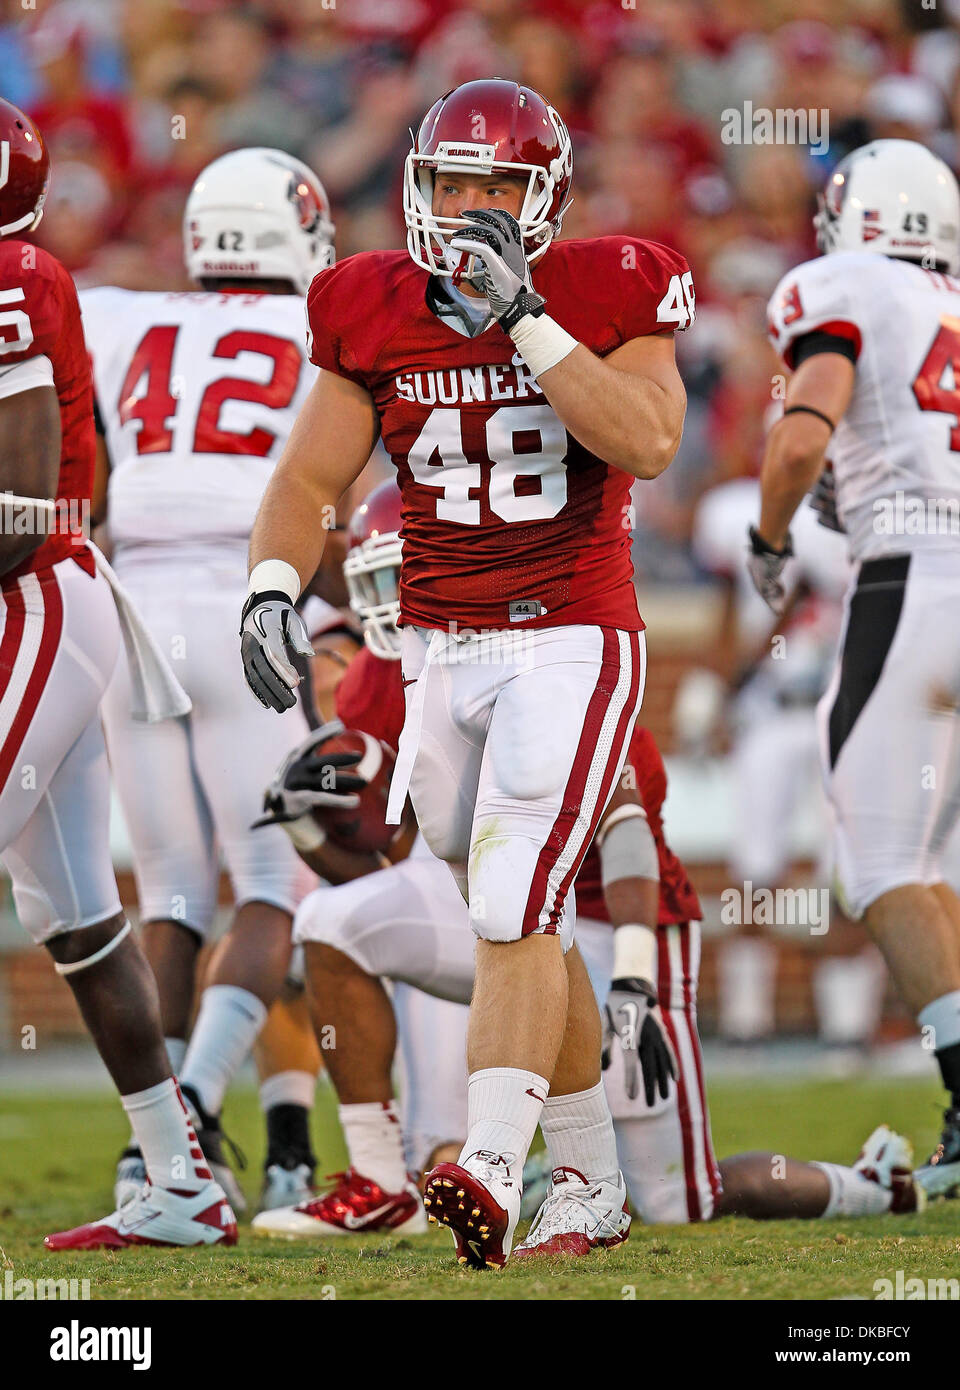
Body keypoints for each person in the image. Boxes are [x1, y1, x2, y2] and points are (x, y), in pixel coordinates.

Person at [240, 76, 693, 1268]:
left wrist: (529, 320)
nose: (473, 203)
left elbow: (647, 437)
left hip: (572, 634)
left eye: (499, 183)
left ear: (542, 198)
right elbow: (306, 481)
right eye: (455, 181)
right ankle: (589, 1182)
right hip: (443, 643)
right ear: (418, 187)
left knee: (507, 902)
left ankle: (491, 1163)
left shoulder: (609, 284)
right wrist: (273, 587)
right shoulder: (368, 302)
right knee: (519, 915)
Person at [252, 483, 923, 1246]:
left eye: (401, 576)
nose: (389, 604)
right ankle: (384, 1179)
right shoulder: (382, 677)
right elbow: (412, 866)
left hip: (616, 922)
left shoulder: (555, 655)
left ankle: (867, 1187)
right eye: (376, 582)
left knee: (677, 1196)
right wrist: (312, 835)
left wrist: (633, 980)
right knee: (334, 920)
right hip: (506, 920)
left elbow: (627, 834)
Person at [81, 146, 338, 1213]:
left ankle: (151, 1149)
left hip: (129, 605)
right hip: (247, 597)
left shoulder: (119, 317)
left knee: (174, 893)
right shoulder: (324, 327)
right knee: (274, 887)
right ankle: (187, 1110)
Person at [0, 97, 235, 1251]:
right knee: (80, 921)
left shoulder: (12, 278)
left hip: (34, 591)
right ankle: (179, 1177)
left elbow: (19, 507)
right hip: (45, 600)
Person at [752, 138, 960, 1198]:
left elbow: (800, 440)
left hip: (915, 580)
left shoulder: (841, 284)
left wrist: (773, 531)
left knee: (877, 864)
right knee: (932, 868)